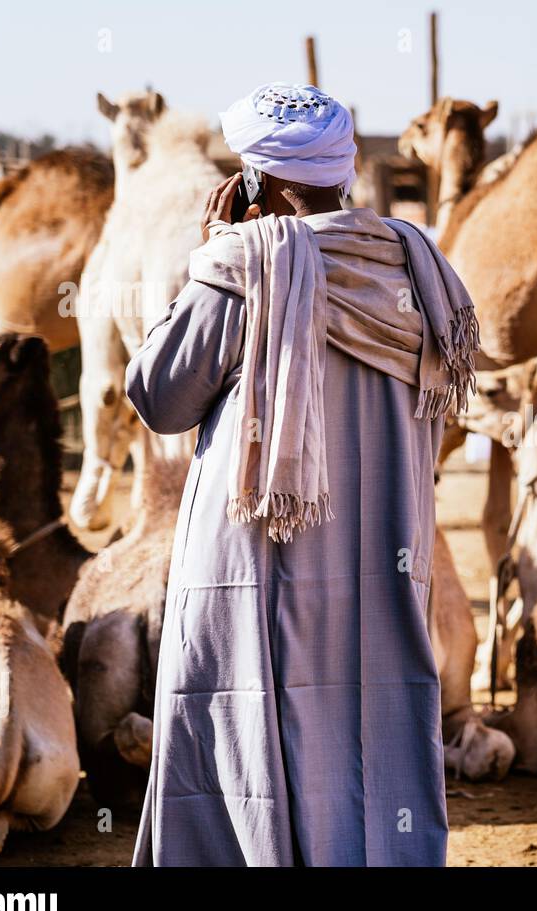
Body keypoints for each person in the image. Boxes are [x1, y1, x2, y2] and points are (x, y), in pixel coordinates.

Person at [127, 83, 477, 866]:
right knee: (373, 721)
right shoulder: (417, 269)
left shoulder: (240, 267)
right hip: (385, 553)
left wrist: (210, 253)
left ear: (262, 183)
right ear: (344, 169)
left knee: (241, 711)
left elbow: (159, 398)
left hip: (252, 551)